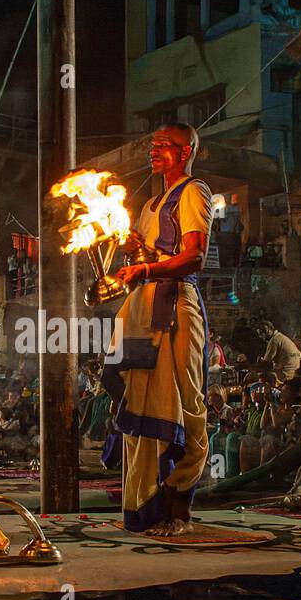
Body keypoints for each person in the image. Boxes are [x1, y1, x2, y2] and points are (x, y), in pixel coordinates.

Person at [103, 122, 212, 536]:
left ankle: (178, 507)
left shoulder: (193, 191)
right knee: (142, 397)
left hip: (176, 304)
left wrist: (146, 265)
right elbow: (156, 257)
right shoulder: (151, 205)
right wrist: (141, 252)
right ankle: (145, 507)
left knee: (183, 401)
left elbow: (193, 257)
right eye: (153, 144)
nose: (155, 150)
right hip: (143, 308)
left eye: (165, 145)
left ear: (186, 152)